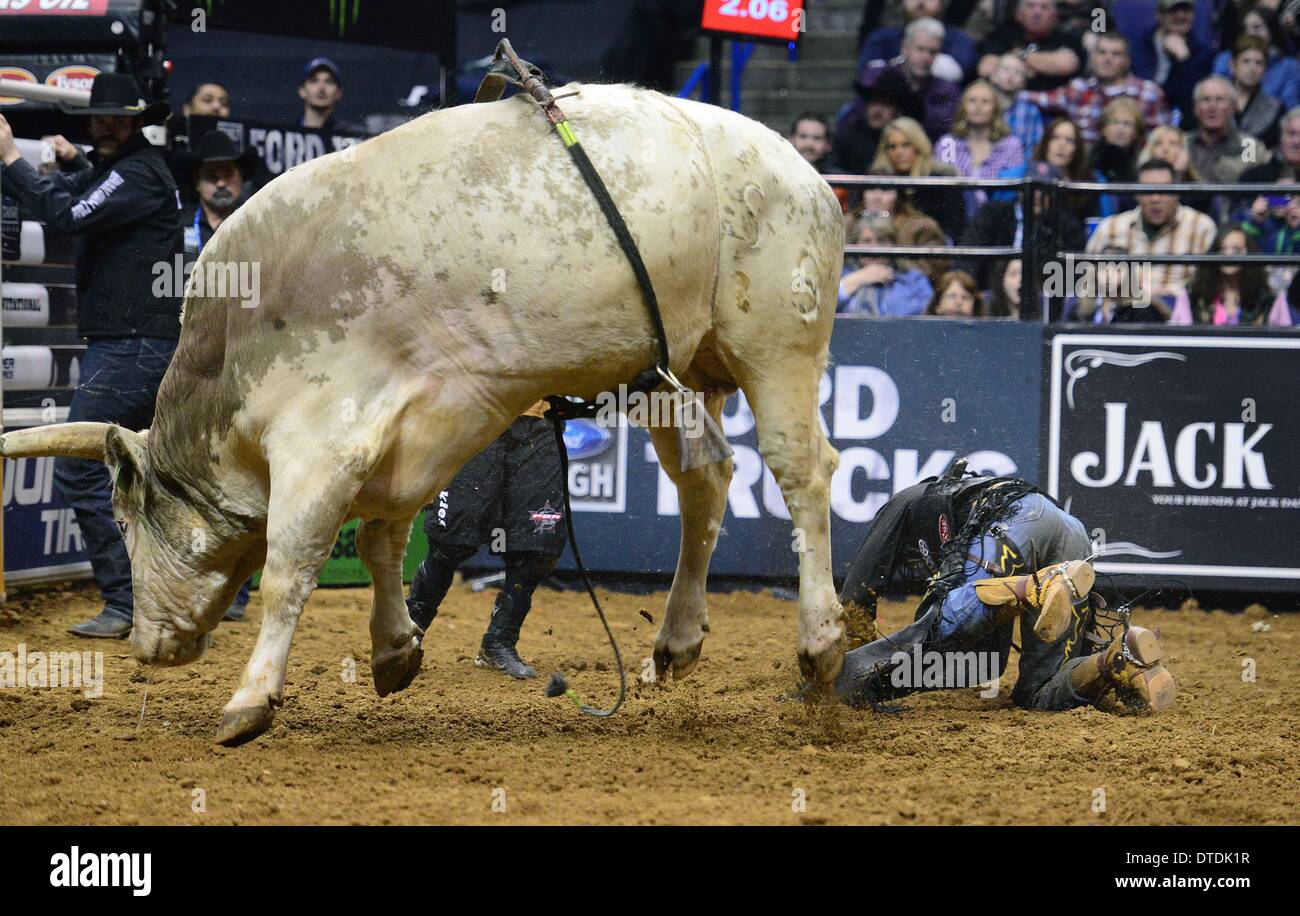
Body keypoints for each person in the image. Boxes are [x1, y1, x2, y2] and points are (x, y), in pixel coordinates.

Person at [0, 74, 183, 638]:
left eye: (118, 118)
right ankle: (162, 598)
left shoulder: (136, 172)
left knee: (82, 468)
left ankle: (129, 603)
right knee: (146, 471)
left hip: (133, 343)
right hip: (136, 340)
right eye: (101, 116)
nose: (107, 124)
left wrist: (10, 158)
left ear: (133, 121)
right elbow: (97, 201)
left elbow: (74, 216)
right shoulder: (133, 170)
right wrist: (79, 163)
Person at [831, 464, 1176, 714]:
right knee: (1036, 692)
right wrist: (877, 682)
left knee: (943, 623)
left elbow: (855, 597)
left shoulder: (902, 503)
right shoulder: (950, 510)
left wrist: (847, 673)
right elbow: (983, 663)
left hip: (1009, 520)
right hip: (1066, 530)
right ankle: (1115, 661)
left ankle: (1039, 584)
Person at [172, 130, 263, 619]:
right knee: (188, 478)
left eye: (228, 172)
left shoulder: (262, 227)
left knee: (242, 478)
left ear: (241, 178)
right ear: (199, 183)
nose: (221, 181)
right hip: (189, 372)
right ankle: (193, 579)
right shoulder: (178, 233)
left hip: (246, 372)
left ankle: (238, 591)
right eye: (212, 174)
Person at [404, 405, 566, 678]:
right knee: (452, 539)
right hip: (479, 414)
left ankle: (499, 642)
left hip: (543, 420)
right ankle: (405, 636)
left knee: (538, 544)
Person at [1085, 157, 1217, 310]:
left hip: (1178, 319)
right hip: (1119, 317)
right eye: (1148, 190)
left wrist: (1172, 294)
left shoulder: (1201, 228)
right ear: (1137, 194)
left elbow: (1209, 285)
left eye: (1163, 190)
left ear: (1177, 193)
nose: (1155, 198)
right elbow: (1087, 282)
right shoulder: (1110, 228)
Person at [961, 160, 1086, 293]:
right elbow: (967, 258)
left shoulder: (1067, 226)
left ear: (1054, 196)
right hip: (990, 295)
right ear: (1021, 190)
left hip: (1042, 299)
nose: (1037, 195)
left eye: (1044, 190)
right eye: (1032, 188)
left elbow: (1073, 278)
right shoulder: (993, 213)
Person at [1021, 31, 1167, 143]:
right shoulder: (1079, 89)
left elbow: (1163, 137)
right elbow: (1039, 98)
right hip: (1082, 173)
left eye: (1116, 54)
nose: (1107, 59)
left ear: (1127, 61)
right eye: (1101, 52)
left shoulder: (1149, 93)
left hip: (1130, 173)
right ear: (1093, 57)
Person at [856, 17, 961, 140]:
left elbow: (944, 129)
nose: (926, 57)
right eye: (920, 49)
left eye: (932, 52)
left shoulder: (946, 91)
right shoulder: (878, 76)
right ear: (905, 48)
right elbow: (857, 114)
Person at [1169, 226, 1293, 326]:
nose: (1228, 255)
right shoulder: (1193, 294)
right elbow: (1179, 337)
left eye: (1237, 250)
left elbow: (1284, 342)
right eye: (1222, 249)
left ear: (1250, 254)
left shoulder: (1268, 298)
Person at [935, 79, 1025, 215]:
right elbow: (943, 188)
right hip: (956, 216)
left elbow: (1011, 192)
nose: (978, 106)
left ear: (995, 108)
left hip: (997, 218)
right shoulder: (948, 144)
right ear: (963, 107)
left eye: (985, 102)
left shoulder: (1011, 145)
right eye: (972, 101)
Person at [869, 116, 968, 240]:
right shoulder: (878, 180)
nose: (899, 152)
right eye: (892, 146)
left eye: (906, 145)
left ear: (918, 145)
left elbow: (954, 230)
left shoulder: (941, 181)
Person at [976, 0, 1085, 93]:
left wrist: (1018, 56)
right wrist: (1046, 64)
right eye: (1030, 6)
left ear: (1054, 16)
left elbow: (1067, 65)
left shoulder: (1067, 38)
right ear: (1019, 14)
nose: (1037, 12)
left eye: (1044, 7)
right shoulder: (1003, 33)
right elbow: (986, 68)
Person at [1131, 0, 1216, 119]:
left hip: (1180, 118)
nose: (1181, 16)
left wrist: (1184, 59)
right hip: (1140, 112)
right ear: (1159, 15)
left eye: (1186, 10)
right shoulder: (1141, 44)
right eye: (1173, 10)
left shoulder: (1203, 52)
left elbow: (1193, 99)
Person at [833, 68, 926, 175]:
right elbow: (834, 168)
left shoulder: (908, 136)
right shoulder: (848, 135)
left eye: (886, 104)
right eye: (873, 102)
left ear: (898, 110)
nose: (878, 111)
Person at [858, 0, 979, 81]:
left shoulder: (958, 39)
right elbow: (868, 75)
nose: (921, 2)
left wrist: (896, 65)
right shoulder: (882, 37)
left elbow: (955, 73)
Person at [838, 216, 934, 316]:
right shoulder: (839, 275)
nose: (874, 248)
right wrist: (856, 279)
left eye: (881, 241)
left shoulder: (913, 279)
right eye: (866, 241)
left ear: (894, 245)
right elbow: (823, 307)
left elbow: (924, 313)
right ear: (855, 244)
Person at [1213, 4, 1300, 111]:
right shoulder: (1225, 59)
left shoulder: (1289, 66)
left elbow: (1291, 106)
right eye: (1245, 28)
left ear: (1271, 30)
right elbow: (1216, 91)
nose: (1250, 33)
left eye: (1257, 27)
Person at [1088, 97, 1144, 217]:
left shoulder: (1141, 166)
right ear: (1103, 128)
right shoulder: (1087, 161)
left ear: (1136, 133)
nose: (1120, 129)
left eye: (1127, 124)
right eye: (1115, 122)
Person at [990, 53, 1045, 156]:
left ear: (1024, 82)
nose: (1010, 75)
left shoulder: (1030, 111)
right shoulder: (984, 104)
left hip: (1018, 167)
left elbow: (1035, 146)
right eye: (1005, 69)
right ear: (994, 75)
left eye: (1018, 72)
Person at [298, 57, 363, 134]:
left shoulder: (349, 133)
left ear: (338, 93)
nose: (321, 87)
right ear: (302, 90)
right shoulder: (286, 134)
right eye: (314, 81)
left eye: (329, 82)